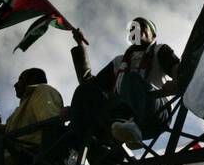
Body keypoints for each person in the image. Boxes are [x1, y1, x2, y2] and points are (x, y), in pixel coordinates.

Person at [66, 18, 181, 156]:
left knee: (131, 78)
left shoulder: (160, 50)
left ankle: (128, 128)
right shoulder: (119, 62)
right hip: (118, 123)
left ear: (154, 35)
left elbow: (179, 70)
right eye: (132, 28)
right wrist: (80, 46)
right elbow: (90, 84)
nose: (136, 30)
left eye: (142, 26)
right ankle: (74, 149)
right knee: (84, 91)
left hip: (155, 113)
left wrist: (177, 81)